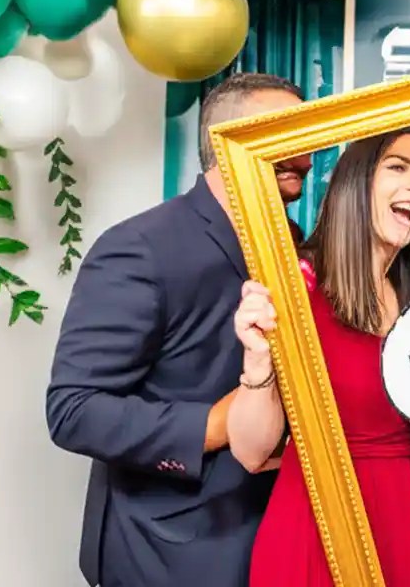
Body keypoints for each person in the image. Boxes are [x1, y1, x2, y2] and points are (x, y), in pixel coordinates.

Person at [45, 73, 312, 587]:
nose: (302, 152)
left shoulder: (292, 243)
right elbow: (74, 411)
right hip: (170, 551)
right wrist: (220, 423)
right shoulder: (141, 247)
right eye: (283, 132)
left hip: (274, 533)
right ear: (225, 143)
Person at [227, 125, 410, 586]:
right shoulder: (298, 284)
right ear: (356, 179)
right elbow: (251, 452)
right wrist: (258, 361)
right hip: (317, 523)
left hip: (405, 515)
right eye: (398, 168)